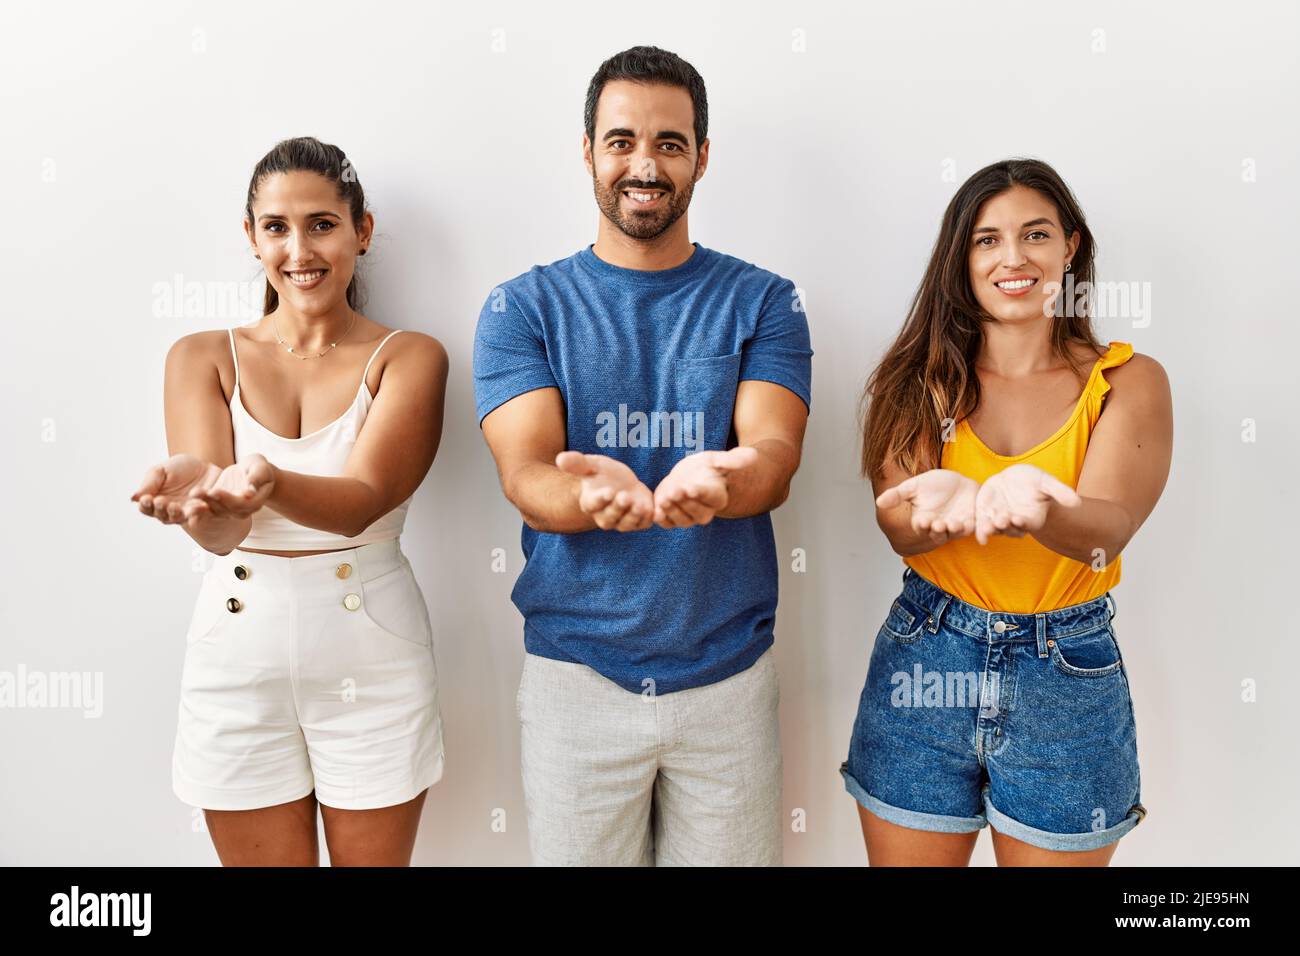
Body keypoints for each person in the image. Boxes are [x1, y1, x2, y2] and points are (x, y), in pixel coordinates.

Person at [473, 46, 812, 865]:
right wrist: (588, 499)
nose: (645, 164)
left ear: (701, 155)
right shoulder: (521, 307)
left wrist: (723, 483)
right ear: (587, 151)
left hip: (727, 683)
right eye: (621, 140)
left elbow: (773, 456)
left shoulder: (766, 300)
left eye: (669, 141)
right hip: (574, 685)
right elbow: (525, 476)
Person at [841, 157, 1173, 866]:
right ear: (961, 258)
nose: (1013, 258)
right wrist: (936, 511)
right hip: (927, 657)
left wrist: (1038, 511)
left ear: (1070, 247)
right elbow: (897, 524)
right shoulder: (918, 378)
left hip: (1067, 677)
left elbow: (1106, 533)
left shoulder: (1126, 382)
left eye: (1035, 235)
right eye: (987, 240)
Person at [131, 136, 449, 866]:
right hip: (237, 658)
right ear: (251, 238)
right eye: (275, 227)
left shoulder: (410, 356)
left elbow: (362, 501)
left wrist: (264, 478)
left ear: (361, 231)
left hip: (373, 655)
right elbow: (220, 537)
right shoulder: (200, 356)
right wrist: (202, 503)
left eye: (322, 224)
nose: (298, 249)